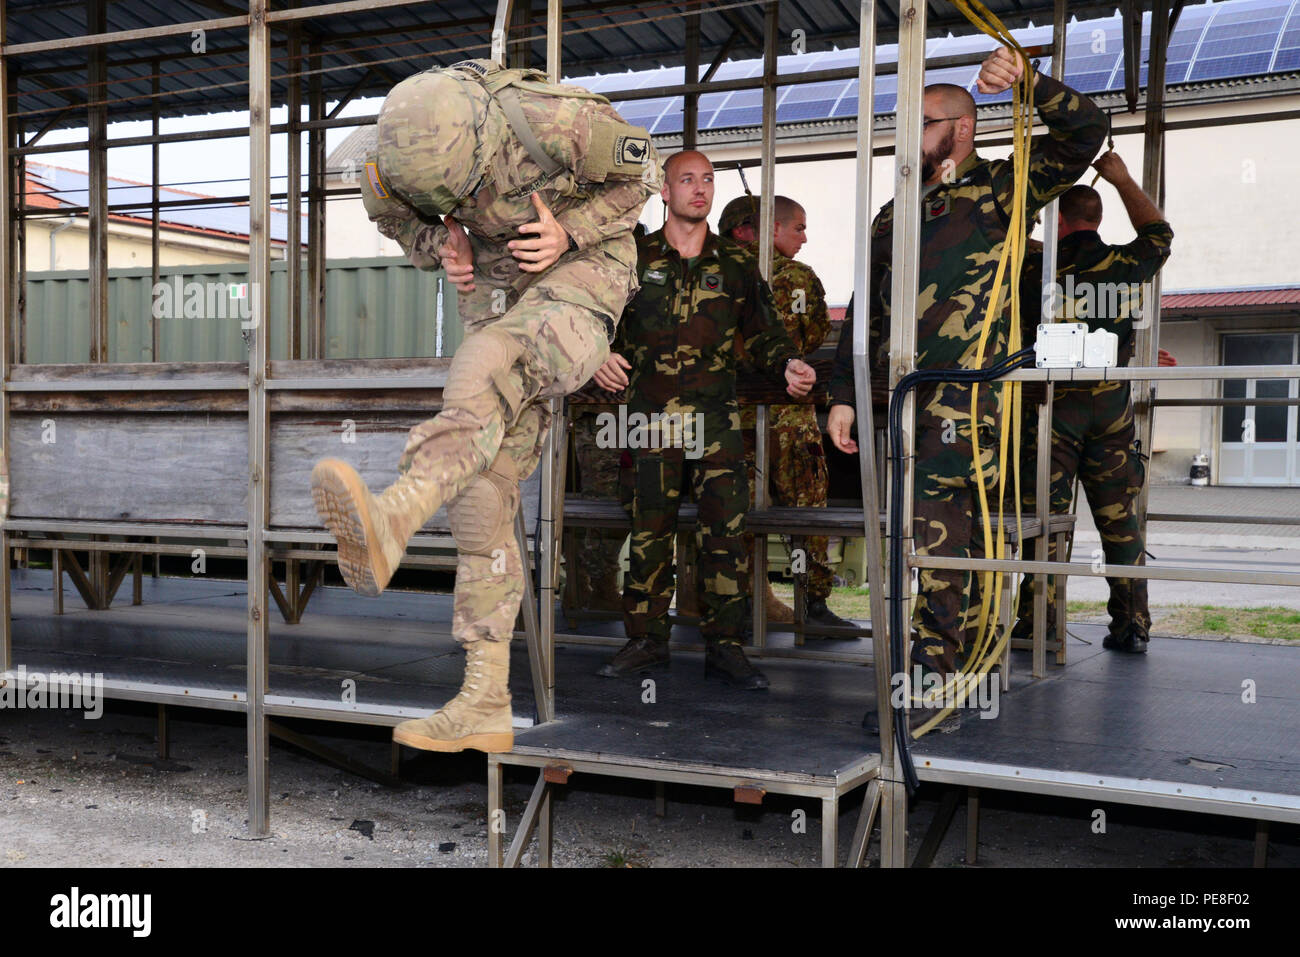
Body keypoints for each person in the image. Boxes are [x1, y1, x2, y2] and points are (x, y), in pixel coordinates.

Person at [309, 59, 660, 752]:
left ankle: (398, 510)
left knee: (481, 364)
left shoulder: (559, 118)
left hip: (585, 274)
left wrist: (571, 231)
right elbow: (386, 212)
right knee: (483, 489)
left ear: (482, 138)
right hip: (500, 285)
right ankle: (484, 697)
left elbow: (643, 173)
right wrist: (442, 243)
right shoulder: (394, 156)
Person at [826, 47, 1107, 683]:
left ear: (962, 127)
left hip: (970, 403)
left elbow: (1089, 131)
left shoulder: (1003, 187)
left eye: (923, 122)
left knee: (938, 536)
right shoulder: (894, 212)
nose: (909, 136)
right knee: (951, 540)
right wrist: (843, 393)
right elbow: (864, 308)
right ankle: (960, 672)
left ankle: (932, 675)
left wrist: (1028, 83)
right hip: (903, 402)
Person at [591, 150, 816, 689]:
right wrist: (594, 352)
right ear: (664, 192)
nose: (700, 189)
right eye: (686, 180)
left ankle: (726, 646)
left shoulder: (736, 264)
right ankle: (646, 640)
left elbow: (764, 331)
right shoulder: (631, 259)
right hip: (647, 422)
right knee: (650, 532)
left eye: (707, 180)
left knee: (725, 536)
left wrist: (788, 363)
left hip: (716, 424)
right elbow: (591, 318)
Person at [1012, 150, 1173, 654]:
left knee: (1045, 521)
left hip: (1049, 409)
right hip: (1111, 410)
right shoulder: (1127, 263)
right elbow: (1159, 234)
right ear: (1097, 218)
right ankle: (1132, 625)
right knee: (1121, 523)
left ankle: (1040, 624)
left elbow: (1007, 239)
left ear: (1058, 219)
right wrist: (1122, 179)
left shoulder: (1034, 265)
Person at [718, 194, 855, 633]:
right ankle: (813, 606)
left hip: (726, 419)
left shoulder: (710, 272)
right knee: (805, 512)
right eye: (797, 227)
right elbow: (814, 337)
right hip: (788, 418)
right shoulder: (795, 276)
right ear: (761, 230)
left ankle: (730, 603)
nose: (805, 237)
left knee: (730, 513)